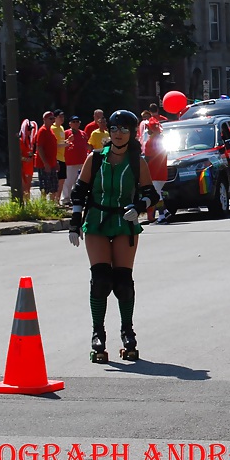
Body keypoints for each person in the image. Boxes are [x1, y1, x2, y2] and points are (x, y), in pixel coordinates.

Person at [69, 109, 158, 363]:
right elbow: (79, 192)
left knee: (122, 281)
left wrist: (138, 207)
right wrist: (75, 224)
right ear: (109, 131)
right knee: (100, 279)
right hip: (96, 220)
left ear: (131, 133)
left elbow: (152, 194)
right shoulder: (95, 158)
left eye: (124, 130)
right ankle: (98, 333)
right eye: (115, 129)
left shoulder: (137, 161)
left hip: (124, 222)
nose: (119, 134)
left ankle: (127, 331)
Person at [143, 118, 168, 223]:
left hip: (154, 172)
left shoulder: (150, 142)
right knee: (159, 193)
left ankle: (162, 216)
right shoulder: (162, 140)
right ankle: (166, 212)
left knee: (158, 196)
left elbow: (147, 158)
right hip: (162, 172)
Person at [63, 115, 90, 205]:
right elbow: (62, 144)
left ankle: (78, 198)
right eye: (74, 122)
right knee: (68, 182)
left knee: (79, 181)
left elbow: (87, 145)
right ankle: (66, 199)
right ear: (70, 123)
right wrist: (68, 140)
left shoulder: (83, 133)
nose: (76, 123)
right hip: (70, 161)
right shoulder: (66, 133)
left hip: (82, 161)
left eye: (77, 121)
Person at [34, 110, 60, 202]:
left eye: (53, 118)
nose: (53, 120)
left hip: (52, 163)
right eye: (50, 118)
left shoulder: (51, 131)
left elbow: (53, 148)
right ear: (44, 119)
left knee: (54, 187)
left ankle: (52, 205)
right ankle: (43, 205)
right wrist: (45, 163)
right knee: (45, 187)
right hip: (44, 165)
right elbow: (39, 148)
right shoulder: (42, 131)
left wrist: (55, 161)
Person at [18, 118, 37, 200]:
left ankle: (28, 204)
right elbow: (17, 156)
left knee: (28, 187)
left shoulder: (31, 140)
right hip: (23, 167)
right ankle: (22, 204)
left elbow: (32, 152)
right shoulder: (20, 140)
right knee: (23, 187)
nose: (30, 131)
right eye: (29, 129)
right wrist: (25, 159)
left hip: (30, 167)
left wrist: (32, 155)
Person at [52, 110, 69, 200]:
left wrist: (67, 141)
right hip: (56, 157)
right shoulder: (53, 128)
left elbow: (61, 142)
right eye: (60, 117)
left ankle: (58, 200)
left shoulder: (62, 128)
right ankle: (53, 200)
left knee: (62, 180)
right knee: (56, 181)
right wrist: (64, 145)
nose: (62, 119)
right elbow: (53, 145)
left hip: (62, 157)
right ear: (55, 118)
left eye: (63, 116)